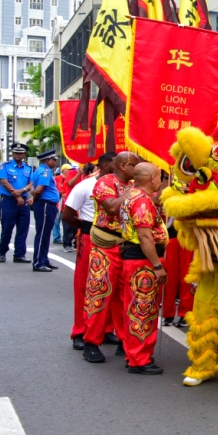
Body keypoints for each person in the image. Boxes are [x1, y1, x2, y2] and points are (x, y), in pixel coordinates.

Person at [82, 151, 141, 364]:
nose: (138, 170)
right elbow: (112, 207)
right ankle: (91, 342)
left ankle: (125, 341)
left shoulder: (133, 184)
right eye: (135, 166)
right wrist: (135, 191)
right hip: (105, 245)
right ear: (123, 166)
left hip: (127, 246)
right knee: (100, 293)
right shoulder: (105, 182)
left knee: (126, 297)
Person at [118, 162, 168, 375]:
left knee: (136, 308)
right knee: (142, 309)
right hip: (142, 262)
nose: (160, 181)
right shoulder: (141, 201)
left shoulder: (132, 195)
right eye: (159, 177)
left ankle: (134, 354)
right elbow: (145, 236)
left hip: (135, 259)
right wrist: (157, 264)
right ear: (152, 179)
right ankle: (138, 359)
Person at [63, 159, 106, 349]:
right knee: (84, 284)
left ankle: (107, 329)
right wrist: (86, 227)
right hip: (89, 238)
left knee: (110, 286)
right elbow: (67, 215)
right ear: (106, 166)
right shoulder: (85, 185)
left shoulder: (124, 187)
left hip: (115, 240)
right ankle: (80, 330)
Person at [0, 143, 33, 263]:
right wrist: (17, 196)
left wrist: (22, 192)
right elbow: (4, 182)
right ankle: (2, 251)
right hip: (9, 201)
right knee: (7, 228)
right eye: (16, 153)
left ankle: (19, 254)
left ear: (24, 154)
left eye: (21, 153)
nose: (18, 155)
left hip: (23, 201)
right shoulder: (5, 166)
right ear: (12, 153)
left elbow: (31, 183)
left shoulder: (28, 168)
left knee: (23, 228)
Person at [30, 150, 61, 272]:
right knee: (43, 234)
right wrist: (34, 199)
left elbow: (33, 188)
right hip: (45, 205)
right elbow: (38, 190)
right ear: (47, 160)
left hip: (46, 205)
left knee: (45, 234)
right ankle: (38, 262)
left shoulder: (41, 170)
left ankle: (44, 259)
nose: (56, 162)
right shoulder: (45, 172)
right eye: (54, 160)